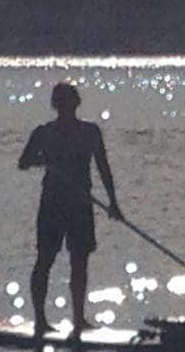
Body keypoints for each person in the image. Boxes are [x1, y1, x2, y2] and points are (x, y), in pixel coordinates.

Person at [18, 82, 123, 338]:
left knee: (80, 261)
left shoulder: (90, 132)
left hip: (80, 204)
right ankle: (41, 321)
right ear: (57, 106)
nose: (67, 107)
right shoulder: (43, 133)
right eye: (62, 103)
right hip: (53, 203)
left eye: (70, 102)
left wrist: (113, 203)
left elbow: (103, 167)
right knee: (46, 259)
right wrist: (44, 160)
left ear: (76, 104)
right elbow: (23, 162)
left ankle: (78, 319)